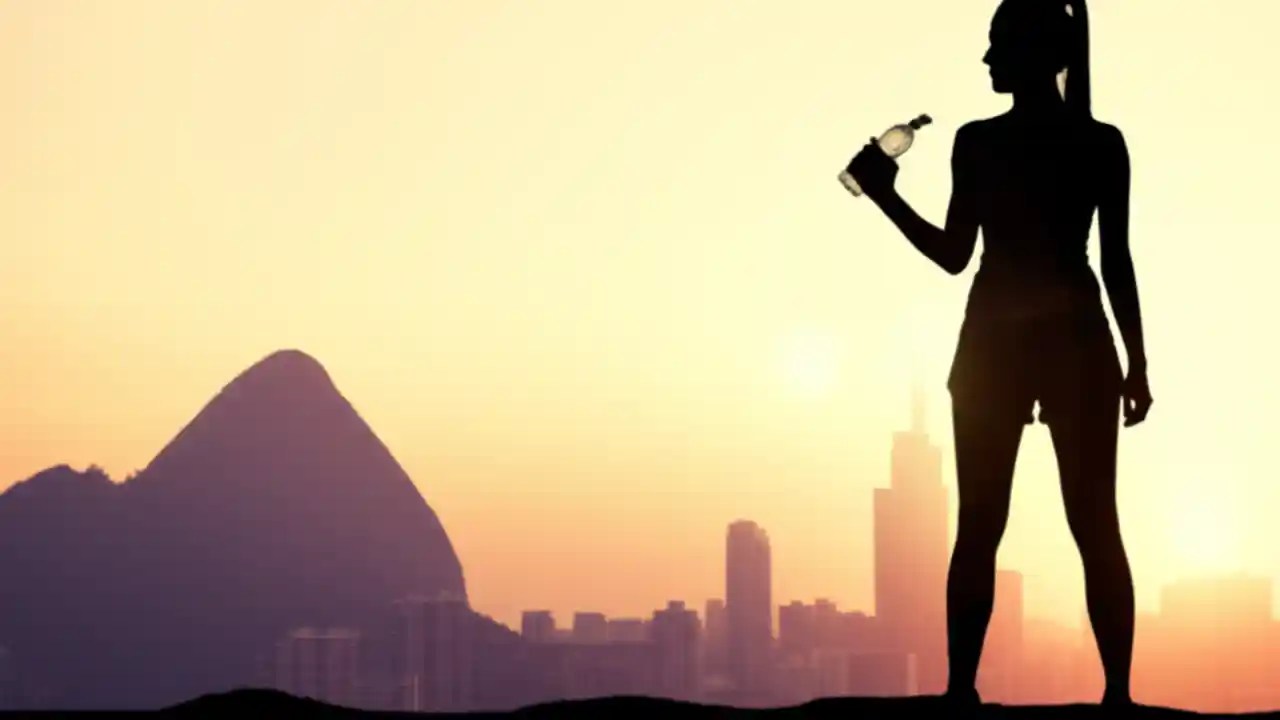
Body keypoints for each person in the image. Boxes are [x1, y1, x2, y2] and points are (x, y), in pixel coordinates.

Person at [845, 0, 1151, 709]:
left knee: (981, 522)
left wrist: (887, 197)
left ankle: (959, 692)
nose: (985, 61)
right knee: (1095, 521)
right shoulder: (1100, 142)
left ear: (1032, 55)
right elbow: (1116, 262)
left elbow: (955, 256)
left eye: (996, 47)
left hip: (993, 341)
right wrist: (1137, 362)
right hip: (1077, 337)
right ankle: (1118, 696)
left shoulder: (979, 143)